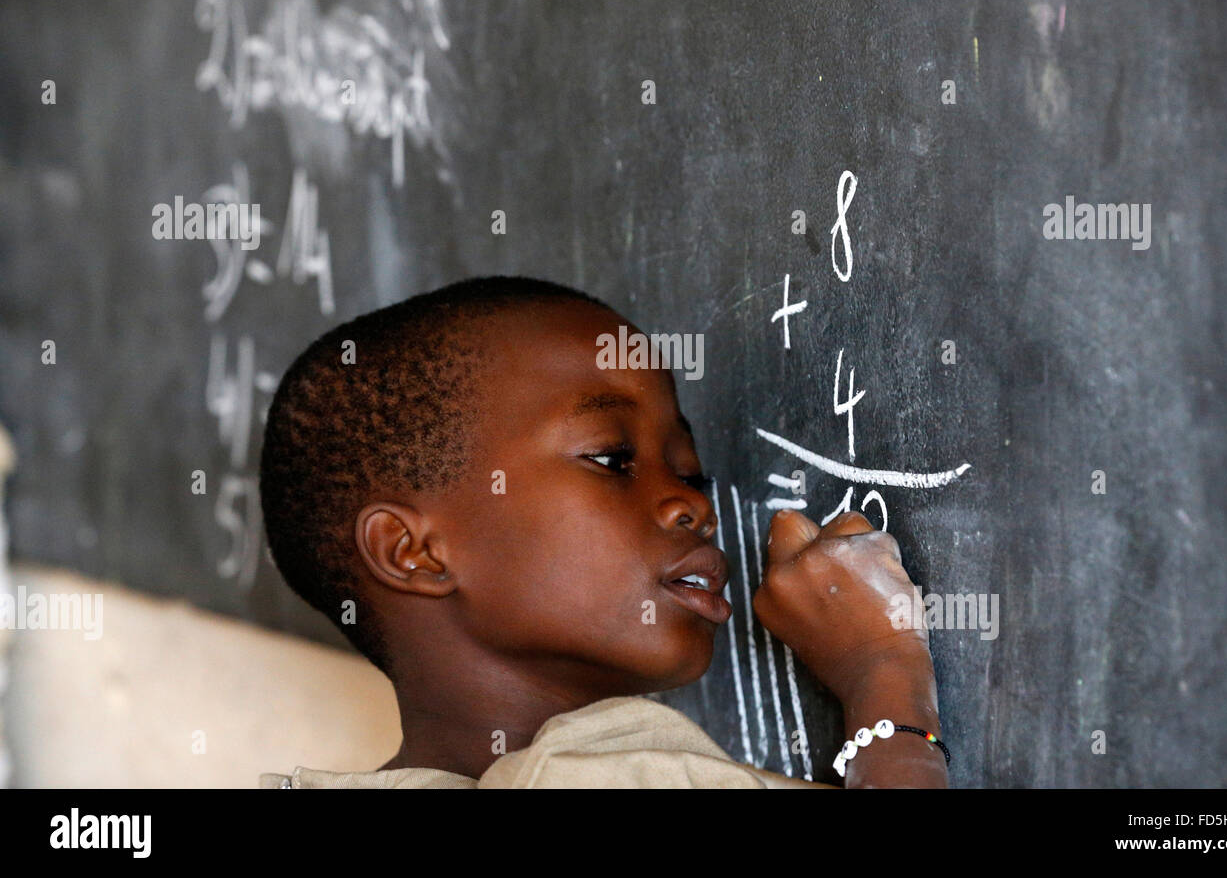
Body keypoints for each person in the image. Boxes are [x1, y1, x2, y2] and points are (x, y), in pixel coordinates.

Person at [257, 276, 946, 788]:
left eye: (691, 473)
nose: (689, 506)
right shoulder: (598, 774)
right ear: (413, 551)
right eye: (613, 460)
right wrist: (884, 676)